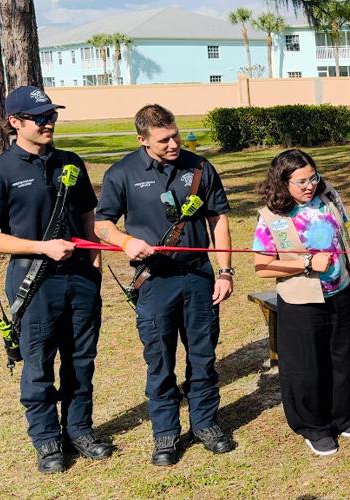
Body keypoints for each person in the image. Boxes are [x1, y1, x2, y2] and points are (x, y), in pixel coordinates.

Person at [94, 104, 236, 466]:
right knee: (159, 361)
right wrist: (125, 242)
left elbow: (217, 219)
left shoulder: (200, 167)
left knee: (203, 357)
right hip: (154, 282)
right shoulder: (122, 173)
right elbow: (102, 224)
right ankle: (165, 434)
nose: (174, 143)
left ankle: (205, 423)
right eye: (163, 140)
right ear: (142, 140)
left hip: (199, 276)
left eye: (175, 134)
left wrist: (225, 271)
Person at [0, 86, 111, 473]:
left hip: (80, 280)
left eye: (51, 115)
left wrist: (95, 265)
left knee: (81, 361)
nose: (48, 123)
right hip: (32, 282)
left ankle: (79, 430)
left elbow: (89, 217)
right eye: (39, 118)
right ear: (14, 123)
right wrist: (42, 248)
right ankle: (47, 440)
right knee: (38, 364)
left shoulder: (70, 161)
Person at [251, 149, 350, 456]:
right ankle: (315, 426)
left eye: (313, 177)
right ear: (283, 183)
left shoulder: (327, 199)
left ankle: (343, 415)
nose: (309, 185)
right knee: (308, 365)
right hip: (301, 300)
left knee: (341, 356)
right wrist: (307, 264)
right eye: (301, 182)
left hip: (337, 291)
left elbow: (342, 241)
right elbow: (262, 265)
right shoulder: (271, 217)